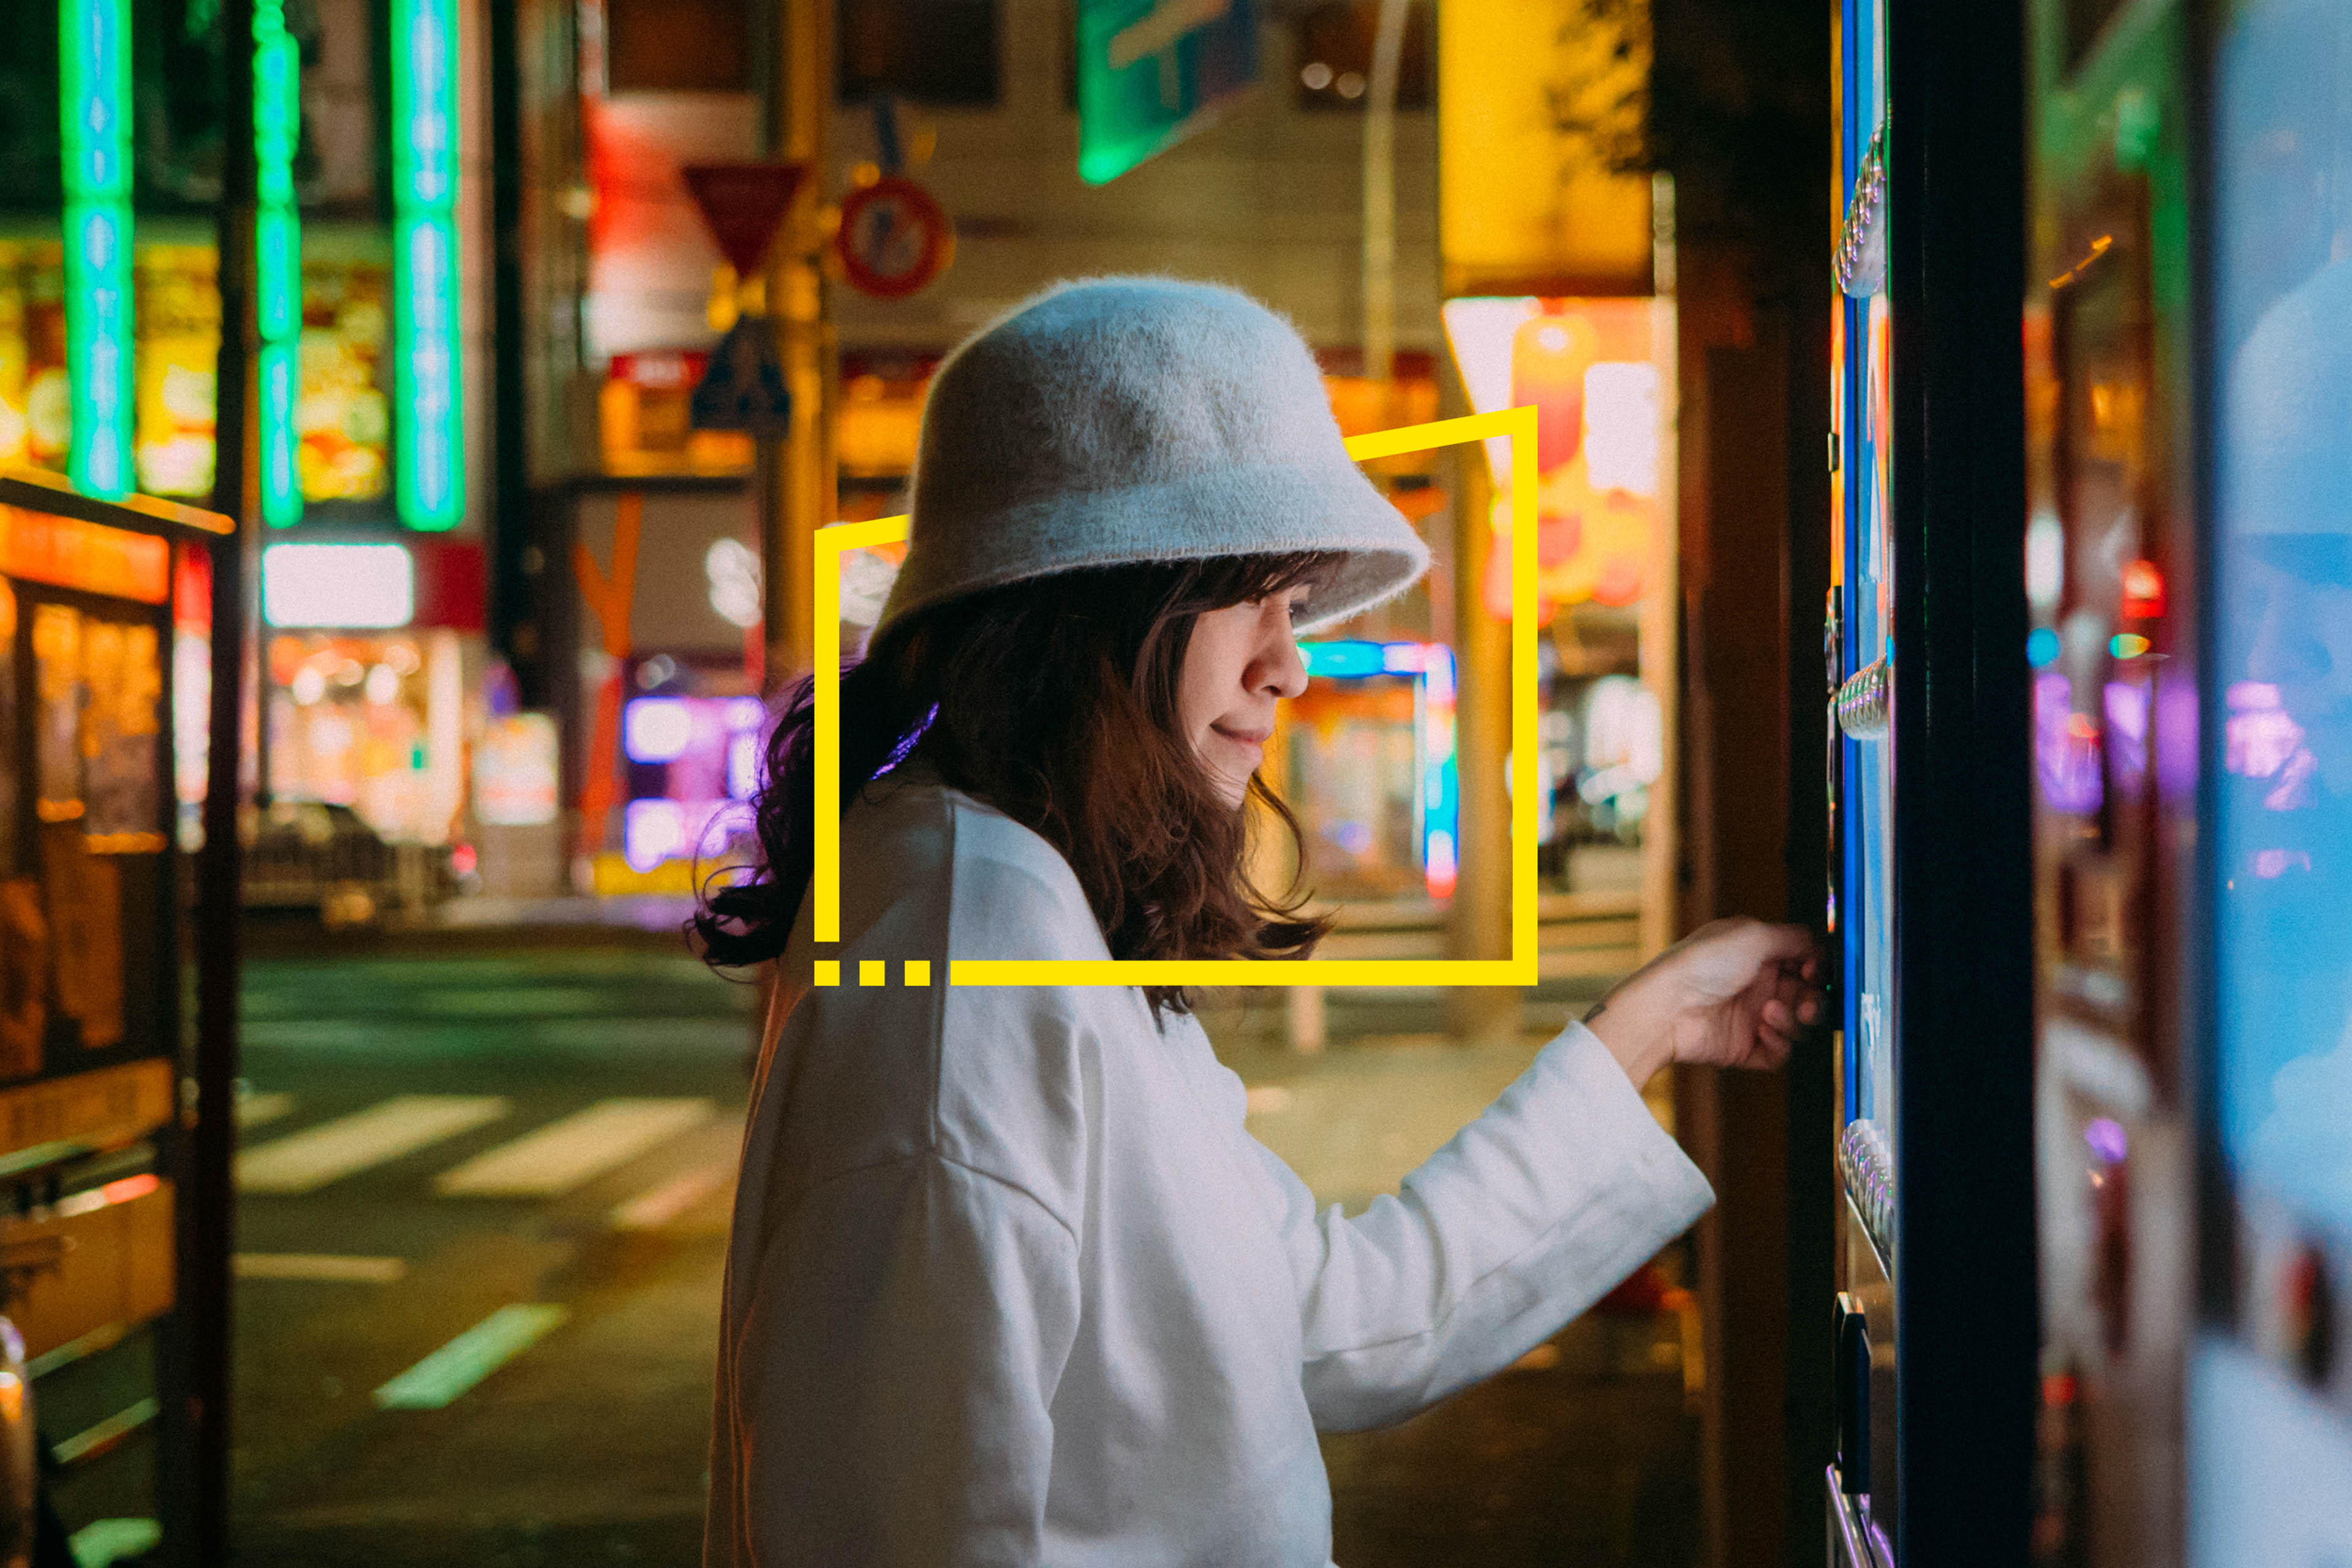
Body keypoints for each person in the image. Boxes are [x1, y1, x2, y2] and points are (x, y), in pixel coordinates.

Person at [694, 277, 1822, 1567]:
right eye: (1255, 595)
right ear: (1095, 595)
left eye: (1297, 606)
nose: (1288, 662)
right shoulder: (968, 944)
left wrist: (1658, 1019)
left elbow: (1343, 1316)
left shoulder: (1037, 908)